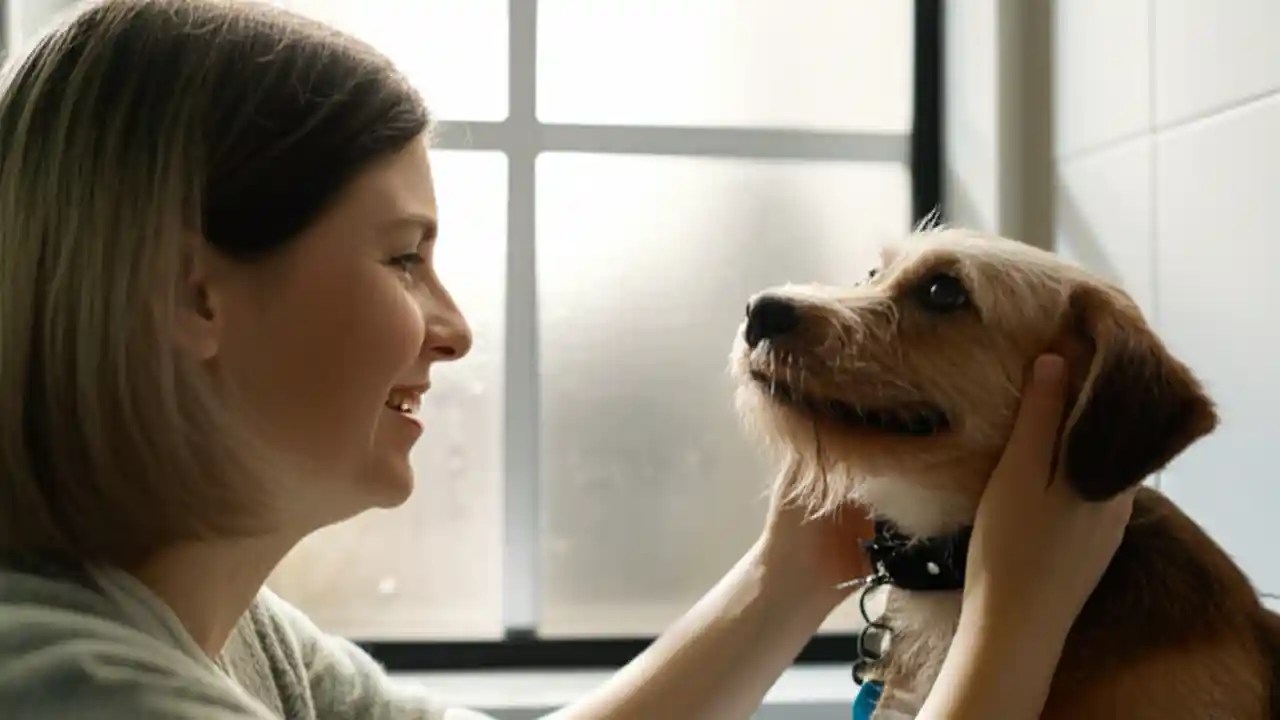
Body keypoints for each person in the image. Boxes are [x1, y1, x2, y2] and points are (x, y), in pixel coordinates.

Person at [0, 2, 1136, 719]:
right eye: (403, 260)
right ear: (195, 293)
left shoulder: (240, 642)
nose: (452, 330)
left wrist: (785, 577)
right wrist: (1014, 625)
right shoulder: (65, 685)